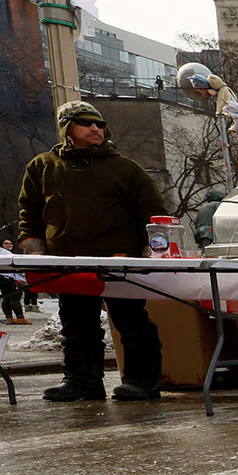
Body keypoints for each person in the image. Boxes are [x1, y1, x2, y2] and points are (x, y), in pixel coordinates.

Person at [17, 100, 170, 402]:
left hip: (119, 260)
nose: (95, 128)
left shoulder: (125, 169)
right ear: (66, 129)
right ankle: (81, 382)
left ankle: (142, 382)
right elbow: (29, 213)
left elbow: (154, 214)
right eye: (86, 123)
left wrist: (150, 251)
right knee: (76, 324)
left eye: (99, 124)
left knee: (133, 323)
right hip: (68, 262)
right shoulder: (42, 167)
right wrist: (35, 251)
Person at [0, 237, 29, 324]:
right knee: (15, 299)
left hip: (4, 280)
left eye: (10, 243)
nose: (9, 245)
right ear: (1, 245)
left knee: (6, 299)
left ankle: (9, 318)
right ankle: (20, 318)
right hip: (13, 280)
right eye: (6, 243)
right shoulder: (6, 254)